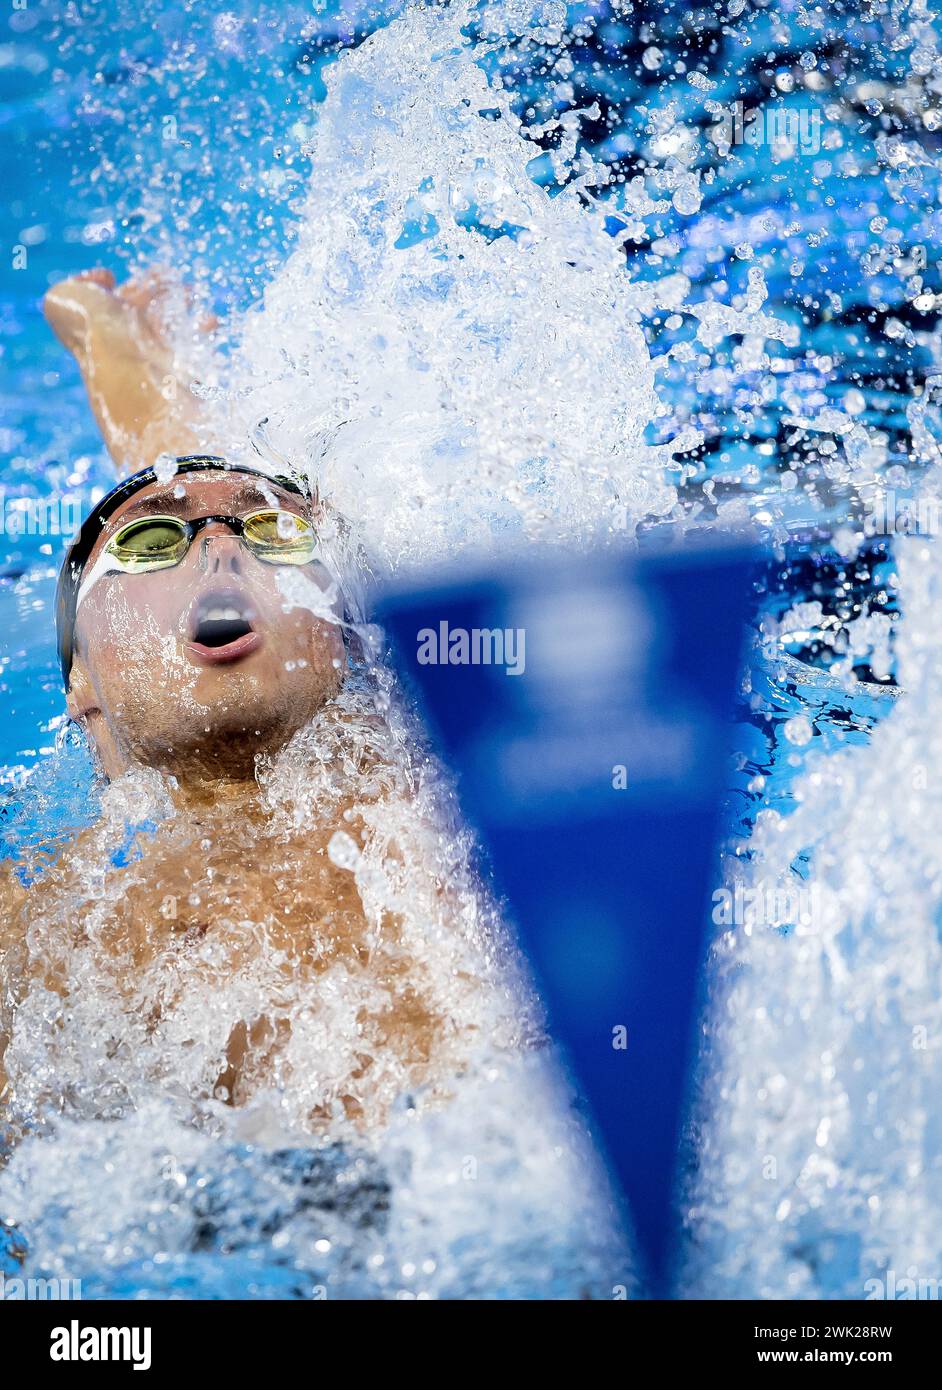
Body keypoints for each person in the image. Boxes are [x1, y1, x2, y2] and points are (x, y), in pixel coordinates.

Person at [0, 270, 495, 1134]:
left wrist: (110, 340)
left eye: (277, 531)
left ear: (343, 635)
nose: (223, 548)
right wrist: (106, 340)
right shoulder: (34, 931)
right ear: (83, 683)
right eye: (153, 539)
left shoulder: (460, 804)